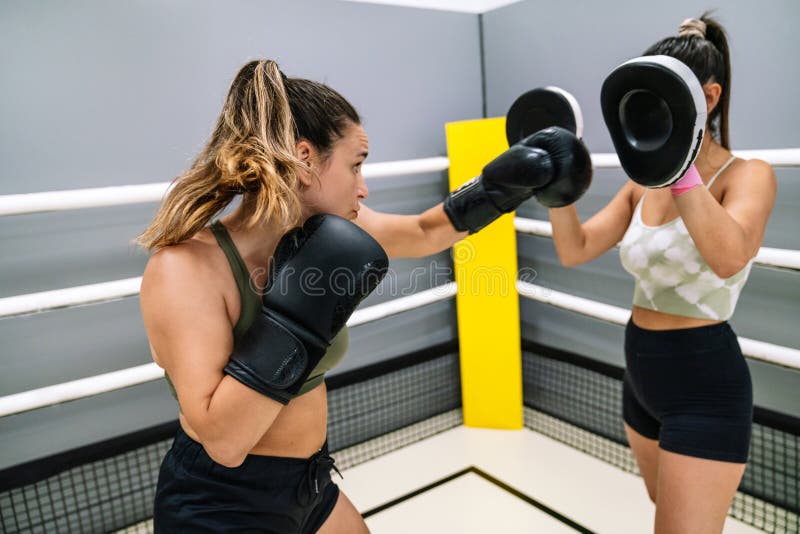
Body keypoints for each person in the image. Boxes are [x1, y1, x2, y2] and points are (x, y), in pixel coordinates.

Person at [138, 59, 590, 532]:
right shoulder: (185, 269)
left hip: (308, 483)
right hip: (221, 505)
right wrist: (297, 318)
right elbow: (226, 443)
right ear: (305, 159)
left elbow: (421, 231)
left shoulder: (320, 234)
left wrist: (501, 187)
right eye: (355, 166)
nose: (363, 187)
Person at [548, 14, 776, 533]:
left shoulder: (748, 175)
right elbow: (574, 249)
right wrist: (554, 187)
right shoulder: (641, 185)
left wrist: (680, 167)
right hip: (642, 373)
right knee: (663, 509)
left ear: (709, 98)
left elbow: (728, 257)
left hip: (704, 385)